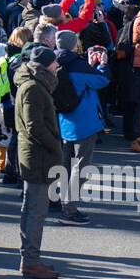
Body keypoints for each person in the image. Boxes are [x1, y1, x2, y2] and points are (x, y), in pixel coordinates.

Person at [54, 30, 110, 225]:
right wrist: (102, 65)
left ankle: (58, 199)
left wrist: (89, 65)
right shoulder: (78, 65)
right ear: (73, 44)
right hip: (84, 122)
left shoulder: (53, 62)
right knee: (81, 166)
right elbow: (101, 81)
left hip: (63, 121)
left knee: (64, 164)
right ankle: (69, 209)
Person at [15, 46, 61, 279]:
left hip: (35, 155)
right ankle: (30, 261)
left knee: (32, 209)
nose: (57, 66)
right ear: (45, 65)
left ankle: (30, 258)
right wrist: (55, 144)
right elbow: (35, 126)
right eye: (54, 63)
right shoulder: (33, 87)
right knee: (35, 211)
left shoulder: (36, 83)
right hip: (38, 156)